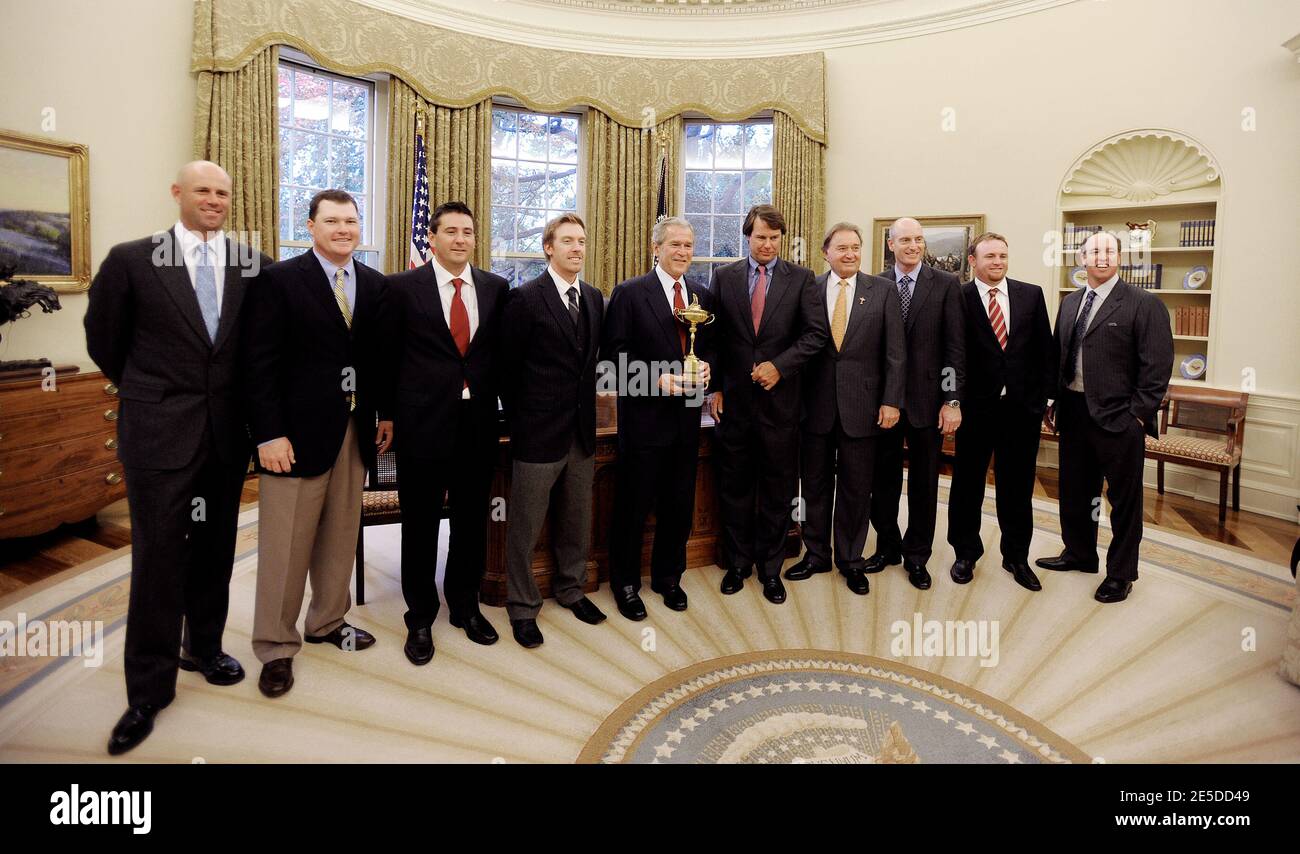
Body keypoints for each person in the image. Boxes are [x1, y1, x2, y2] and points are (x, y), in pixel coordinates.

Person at [85, 161, 267, 755]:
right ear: (178, 194)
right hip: (160, 434)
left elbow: (253, 352)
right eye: (203, 191)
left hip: (224, 437)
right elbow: (105, 342)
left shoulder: (252, 265)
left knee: (216, 552)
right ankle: (147, 692)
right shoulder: (132, 260)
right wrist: (155, 393)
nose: (213, 200)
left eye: (222, 192)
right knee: (159, 561)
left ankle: (204, 649)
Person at [241, 189, 390, 697]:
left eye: (351, 221)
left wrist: (384, 413)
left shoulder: (372, 284)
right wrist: (267, 434)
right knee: (285, 548)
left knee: (339, 536)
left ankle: (327, 621)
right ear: (310, 226)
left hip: (354, 432)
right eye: (332, 221)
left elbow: (377, 360)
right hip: (293, 438)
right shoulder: (278, 281)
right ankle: (276, 646)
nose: (343, 229)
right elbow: (257, 364)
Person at [386, 202, 509, 662]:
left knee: (471, 522)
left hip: (477, 424)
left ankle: (464, 605)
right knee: (418, 524)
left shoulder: (497, 289)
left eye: (468, 232)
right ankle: (419, 617)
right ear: (432, 238)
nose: (460, 239)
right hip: (421, 425)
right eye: (451, 231)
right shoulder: (401, 288)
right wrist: (386, 414)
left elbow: (500, 357)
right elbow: (386, 357)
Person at [1036, 231, 1172, 603]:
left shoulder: (1143, 303)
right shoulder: (1070, 302)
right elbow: (1060, 357)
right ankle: (1079, 554)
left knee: (1125, 501)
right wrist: (1053, 401)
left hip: (1120, 418)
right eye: (1094, 250)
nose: (1101, 256)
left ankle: (1121, 573)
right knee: (1075, 491)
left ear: (1120, 257)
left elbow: (1157, 369)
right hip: (1075, 412)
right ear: (1081, 258)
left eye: (1109, 250)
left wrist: (1137, 416)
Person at [498, 214, 607, 648]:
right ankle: (523, 607)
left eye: (581, 241)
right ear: (548, 247)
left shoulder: (596, 298)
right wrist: (527, 417)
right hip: (537, 433)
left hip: (581, 432)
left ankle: (570, 588)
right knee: (524, 524)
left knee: (576, 520)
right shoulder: (525, 299)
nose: (577, 248)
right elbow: (507, 370)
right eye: (567, 241)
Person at [709, 204, 827, 604]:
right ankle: (738, 564)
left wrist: (780, 366)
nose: (768, 244)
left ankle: (771, 569)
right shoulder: (723, 278)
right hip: (735, 405)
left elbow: (815, 336)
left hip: (782, 406)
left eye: (775, 238)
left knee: (778, 491)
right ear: (748, 236)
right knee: (735, 488)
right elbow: (715, 339)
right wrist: (716, 389)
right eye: (761, 237)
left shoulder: (802, 279)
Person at [601, 216, 715, 621]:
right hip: (645, 422)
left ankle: (669, 577)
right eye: (675, 245)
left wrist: (706, 371)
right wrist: (656, 380)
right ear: (656, 248)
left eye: (688, 245)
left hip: (687, 421)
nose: (683, 252)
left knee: (678, 505)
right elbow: (608, 365)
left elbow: (710, 351)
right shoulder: (630, 294)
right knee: (633, 506)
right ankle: (626, 584)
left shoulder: (701, 294)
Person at [787, 222, 905, 595]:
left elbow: (895, 353)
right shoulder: (809, 289)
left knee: (857, 488)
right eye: (842, 248)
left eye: (855, 247)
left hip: (864, 407)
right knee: (814, 487)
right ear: (826, 253)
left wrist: (891, 400)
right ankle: (816, 554)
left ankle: (851, 559)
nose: (850, 253)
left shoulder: (883, 291)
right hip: (815, 407)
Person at [946, 232, 1054, 590]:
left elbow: (1045, 351)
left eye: (1003, 256)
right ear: (973, 260)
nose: (997, 262)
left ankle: (1016, 557)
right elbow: (950, 354)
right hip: (975, 409)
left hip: (1021, 410)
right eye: (989, 256)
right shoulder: (957, 298)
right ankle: (965, 553)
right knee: (967, 484)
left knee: (1018, 486)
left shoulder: (1031, 295)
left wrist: (1043, 401)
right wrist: (953, 401)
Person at [866, 217, 966, 590]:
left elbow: (955, 349)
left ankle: (917, 556)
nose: (913, 245)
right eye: (905, 239)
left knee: (924, 484)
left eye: (919, 240)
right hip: (885, 403)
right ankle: (887, 546)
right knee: (884, 481)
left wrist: (951, 400)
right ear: (891, 245)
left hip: (928, 404)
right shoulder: (874, 284)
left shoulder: (946, 285)